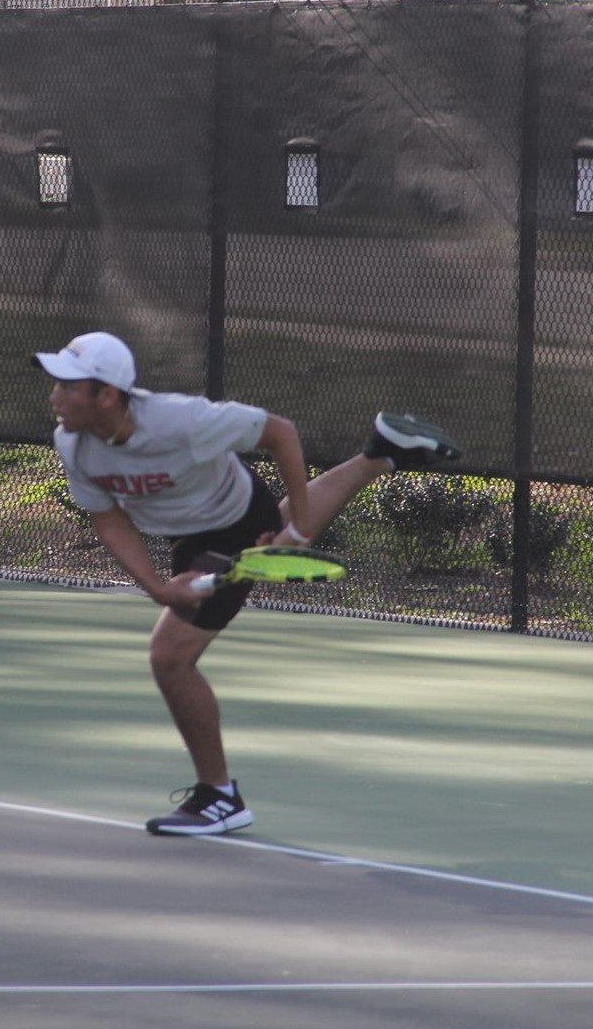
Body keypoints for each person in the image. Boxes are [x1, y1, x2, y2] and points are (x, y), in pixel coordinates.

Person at [34, 331, 460, 835]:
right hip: (187, 535)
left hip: (232, 518)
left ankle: (219, 797)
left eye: (67, 387)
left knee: (170, 655)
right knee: (259, 547)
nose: (54, 397)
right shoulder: (74, 445)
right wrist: (159, 587)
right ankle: (380, 455)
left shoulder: (181, 420)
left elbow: (281, 432)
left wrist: (299, 529)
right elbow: (108, 519)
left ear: (106, 394)